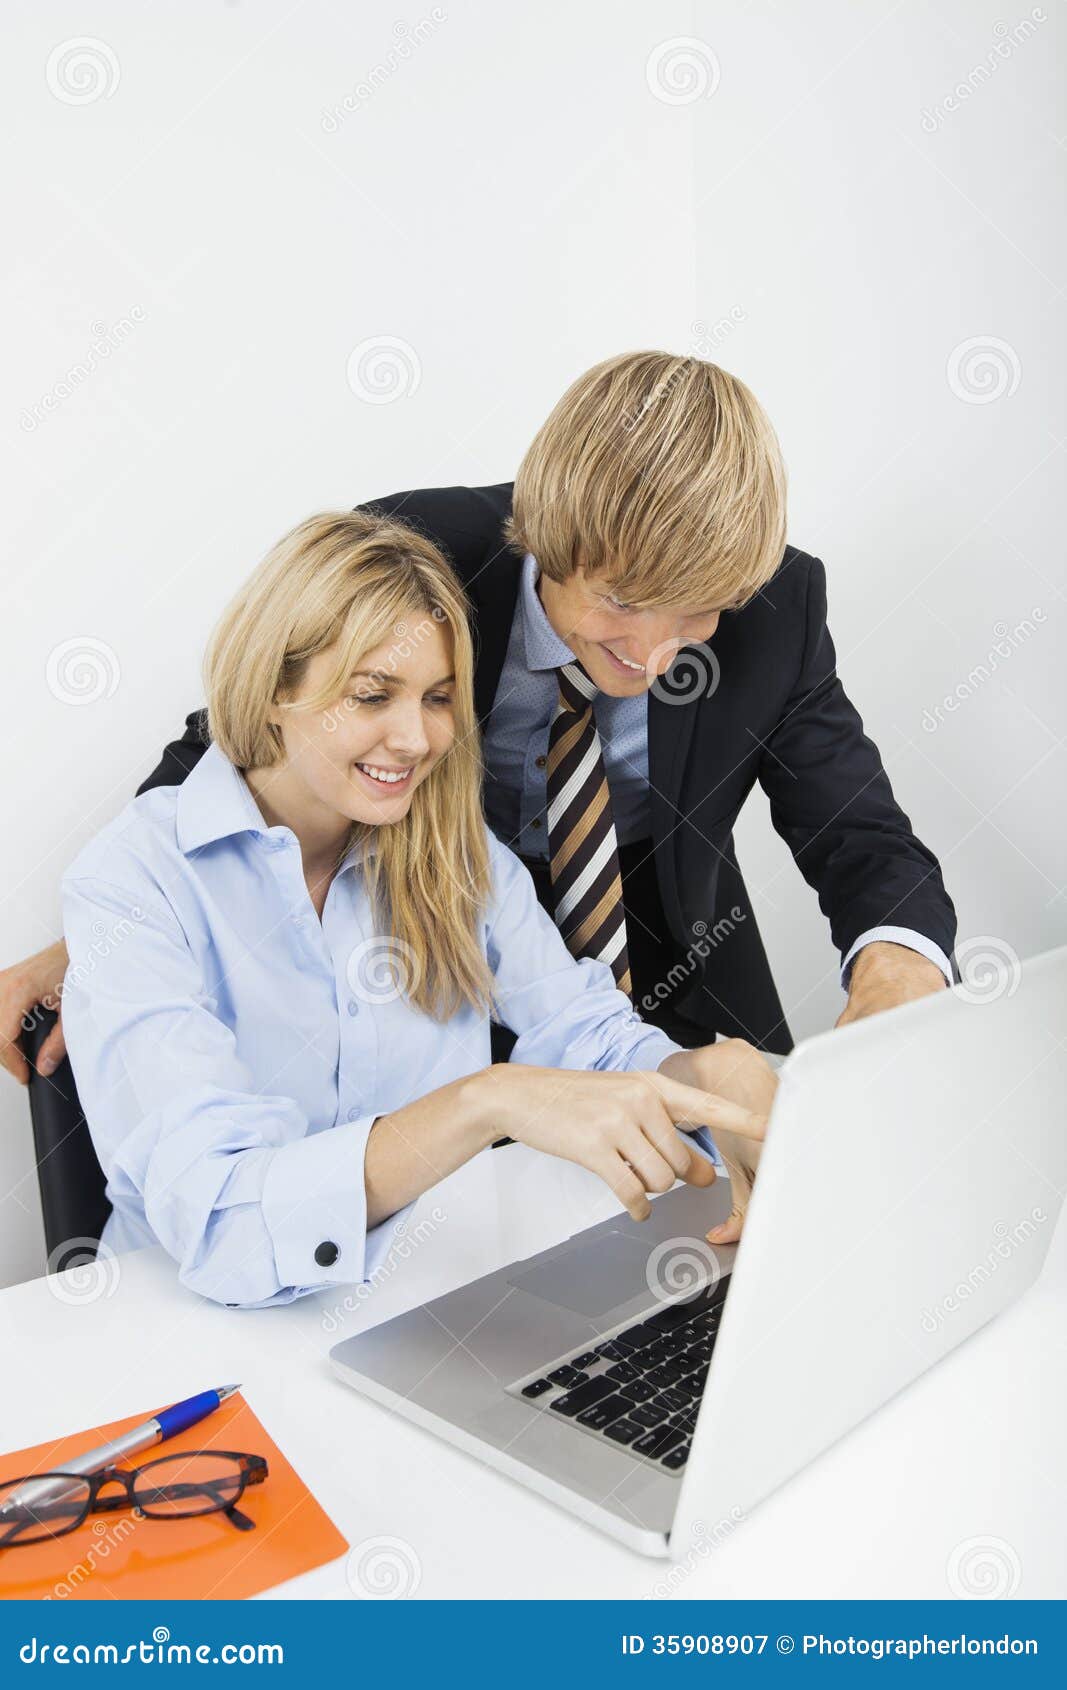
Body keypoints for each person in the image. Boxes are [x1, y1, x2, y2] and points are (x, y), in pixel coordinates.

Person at [3, 351, 954, 1237]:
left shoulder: (770, 608)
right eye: (621, 601)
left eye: (695, 616)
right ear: (550, 534)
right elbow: (242, 741)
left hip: (635, 993)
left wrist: (892, 980)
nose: (656, 655)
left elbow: (858, 831)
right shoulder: (408, 561)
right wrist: (127, 930)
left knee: (661, 1296)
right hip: (434, 995)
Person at [55, 511, 772, 1308]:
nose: (414, 738)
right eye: (371, 695)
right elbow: (225, 1222)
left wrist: (697, 1076)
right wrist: (485, 1100)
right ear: (272, 692)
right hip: (187, 1328)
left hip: (422, 1304)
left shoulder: (453, 853)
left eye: (436, 698)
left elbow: (583, 1035)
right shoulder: (132, 881)